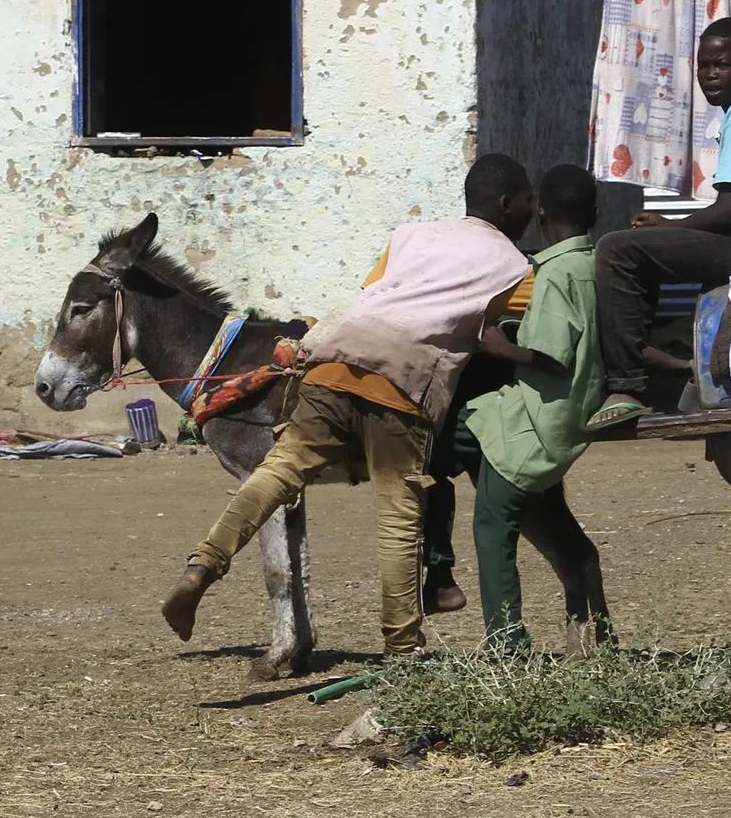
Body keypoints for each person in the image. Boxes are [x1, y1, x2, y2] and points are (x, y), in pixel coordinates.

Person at [159, 154, 538, 657]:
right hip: (400, 386)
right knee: (400, 511)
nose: (534, 211)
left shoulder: (412, 235)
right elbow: (534, 319)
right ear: (508, 204)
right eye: (529, 201)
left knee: (275, 473)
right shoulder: (514, 266)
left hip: (331, 363)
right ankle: (403, 648)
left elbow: (377, 293)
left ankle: (201, 565)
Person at [586, 17, 731, 429]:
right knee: (644, 248)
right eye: (703, 65)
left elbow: (727, 212)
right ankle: (665, 371)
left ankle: (626, 386)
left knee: (617, 250)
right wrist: (668, 227)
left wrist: (671, 225)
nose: (709, 75)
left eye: (720, 65)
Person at [453, 164, 609, 650]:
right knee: (544, 513)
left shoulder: (556, 272)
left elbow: (551, 354)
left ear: (541, 213)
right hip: (572, 409)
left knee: (491, 522)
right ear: (595, 213)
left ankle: (507, 643)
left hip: (541, 415)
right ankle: (595, 631)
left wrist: (499, 346)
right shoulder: (597, 264)